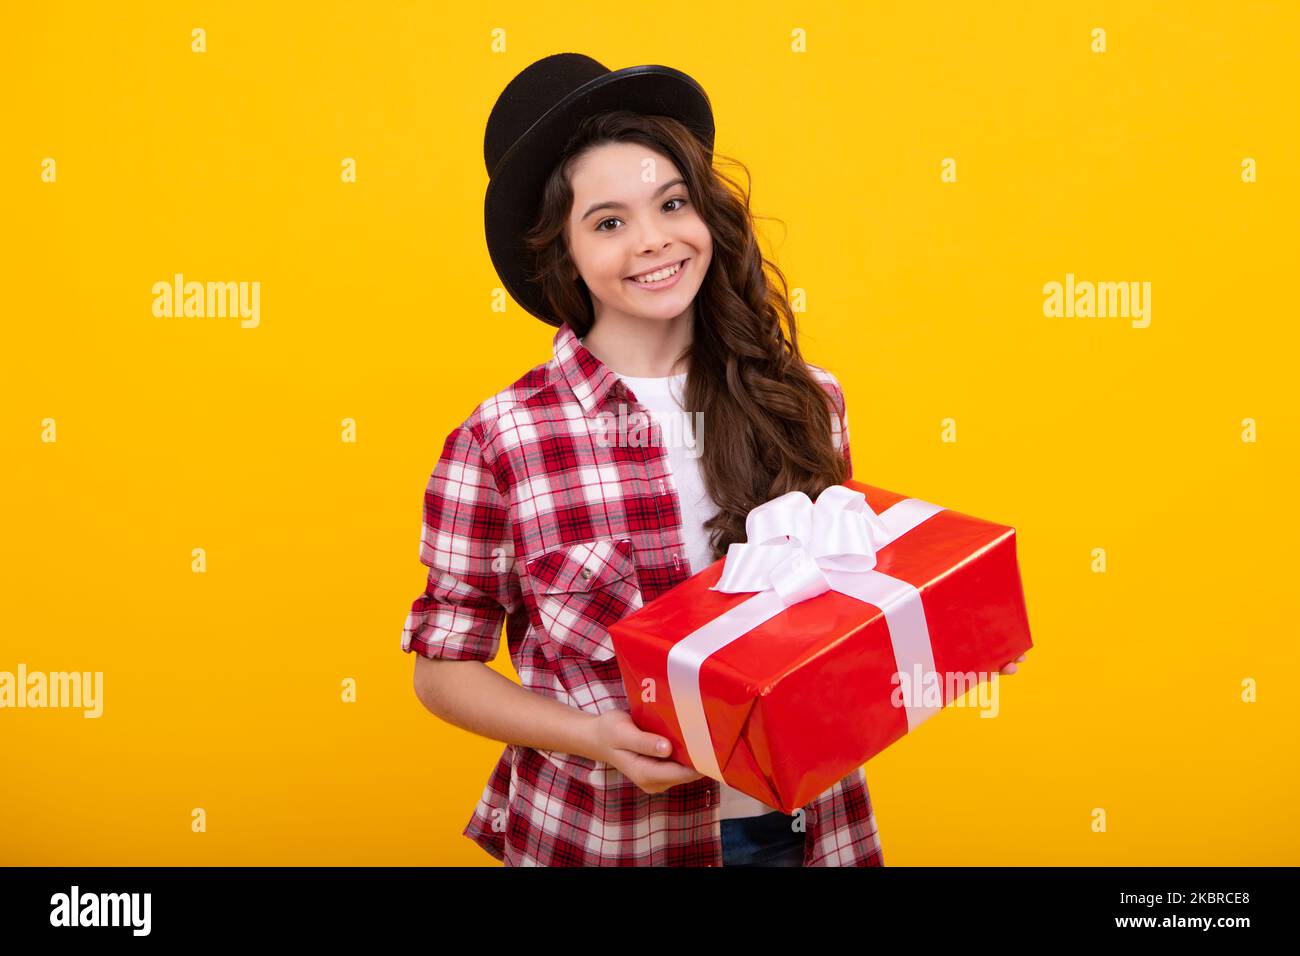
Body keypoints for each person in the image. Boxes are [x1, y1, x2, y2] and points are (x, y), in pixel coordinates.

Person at [402, 53, 1024, 867]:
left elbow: (838, 608)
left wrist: (934, 648)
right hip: (609, 835)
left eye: (672, 203)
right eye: (609, 221)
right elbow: (443, 671)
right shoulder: (503, 440)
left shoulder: (804, 398)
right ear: (562, 250)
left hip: (800, 824)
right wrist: (594, 736)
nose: (654, 241)